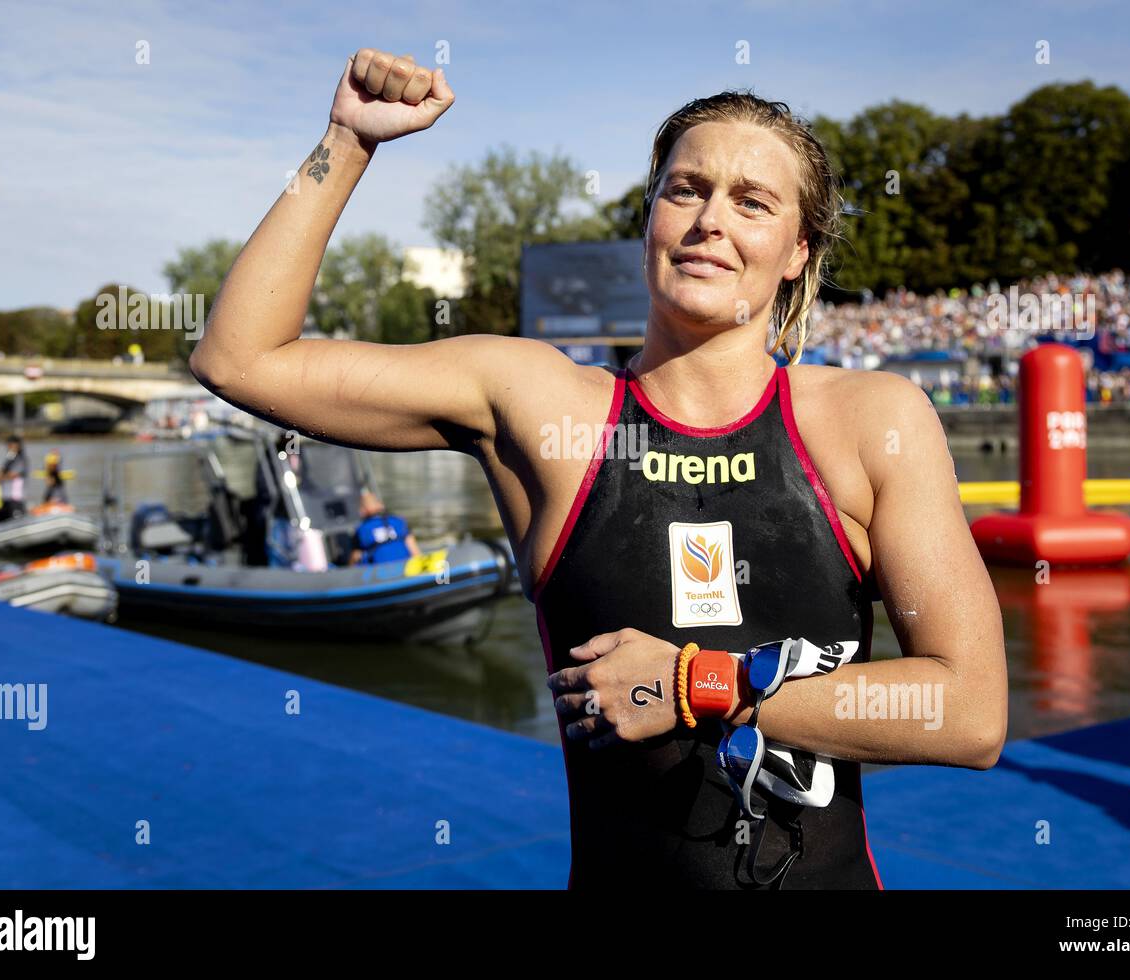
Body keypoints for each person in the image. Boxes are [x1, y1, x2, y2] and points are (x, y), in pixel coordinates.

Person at [189, 49, 1007, 890]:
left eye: (751, 202)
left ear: (798, 250)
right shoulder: (545, 407)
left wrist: (701, 685)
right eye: (685, 190)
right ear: (650, 215)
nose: (710, 221)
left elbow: (970, 712)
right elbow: (239, 360)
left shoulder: (871, 421)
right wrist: (346, 143)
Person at [349, 490, 421, 566]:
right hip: (405, 567)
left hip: (379, 572)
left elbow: (355, 557)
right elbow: (415, 551)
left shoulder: (361, 530)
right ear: (380, 505)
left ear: (363, 510)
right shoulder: (399, 521)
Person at [0, 435, 28, 520]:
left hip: (15, 498)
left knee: (15, 521)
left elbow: (13, 474)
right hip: (4, 498)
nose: (9, 447)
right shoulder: (9, 459)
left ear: (18, 446)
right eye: (8, 445)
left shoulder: (21, 459)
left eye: (11, 445)